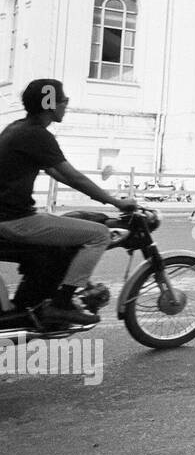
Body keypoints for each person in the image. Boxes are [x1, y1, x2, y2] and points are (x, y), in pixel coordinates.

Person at [0, 79, 136, 327]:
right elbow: (74, 177)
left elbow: (58, 173)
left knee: (72, 224)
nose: (66, 105)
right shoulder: (36, 135)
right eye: (64, 100)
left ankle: (47, 295)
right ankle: (61, 304)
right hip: (16, 220)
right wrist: (116, 202)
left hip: (8, 217)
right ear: (50, 104)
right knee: (99, 234)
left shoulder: (17, 128)